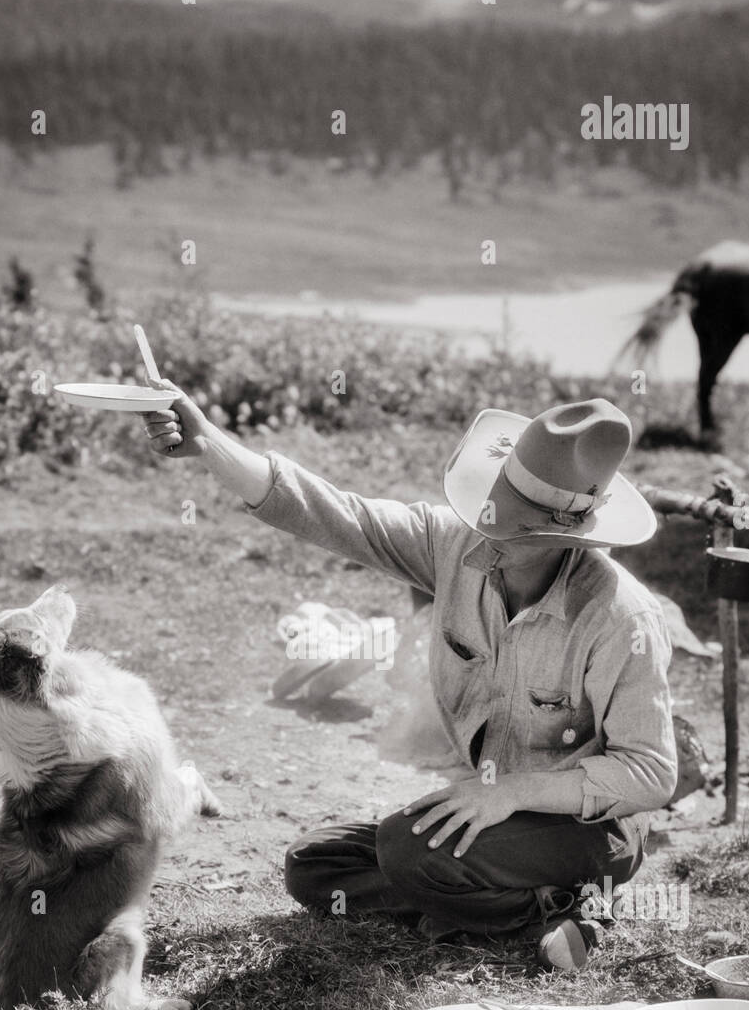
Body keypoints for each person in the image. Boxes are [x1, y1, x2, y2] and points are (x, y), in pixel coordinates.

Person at [142, 394, 677, 971]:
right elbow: (342, 516)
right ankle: (506, 903)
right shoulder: (455, 544)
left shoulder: (621, 618)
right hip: (491, 815)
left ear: (562, 536)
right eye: (494, 500)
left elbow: (650, 773)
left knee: (406, 848)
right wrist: (209, 443)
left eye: (514, 520)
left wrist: (510, 793)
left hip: (586, 829)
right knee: (314, 864)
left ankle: (556, 904)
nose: (487, 521)